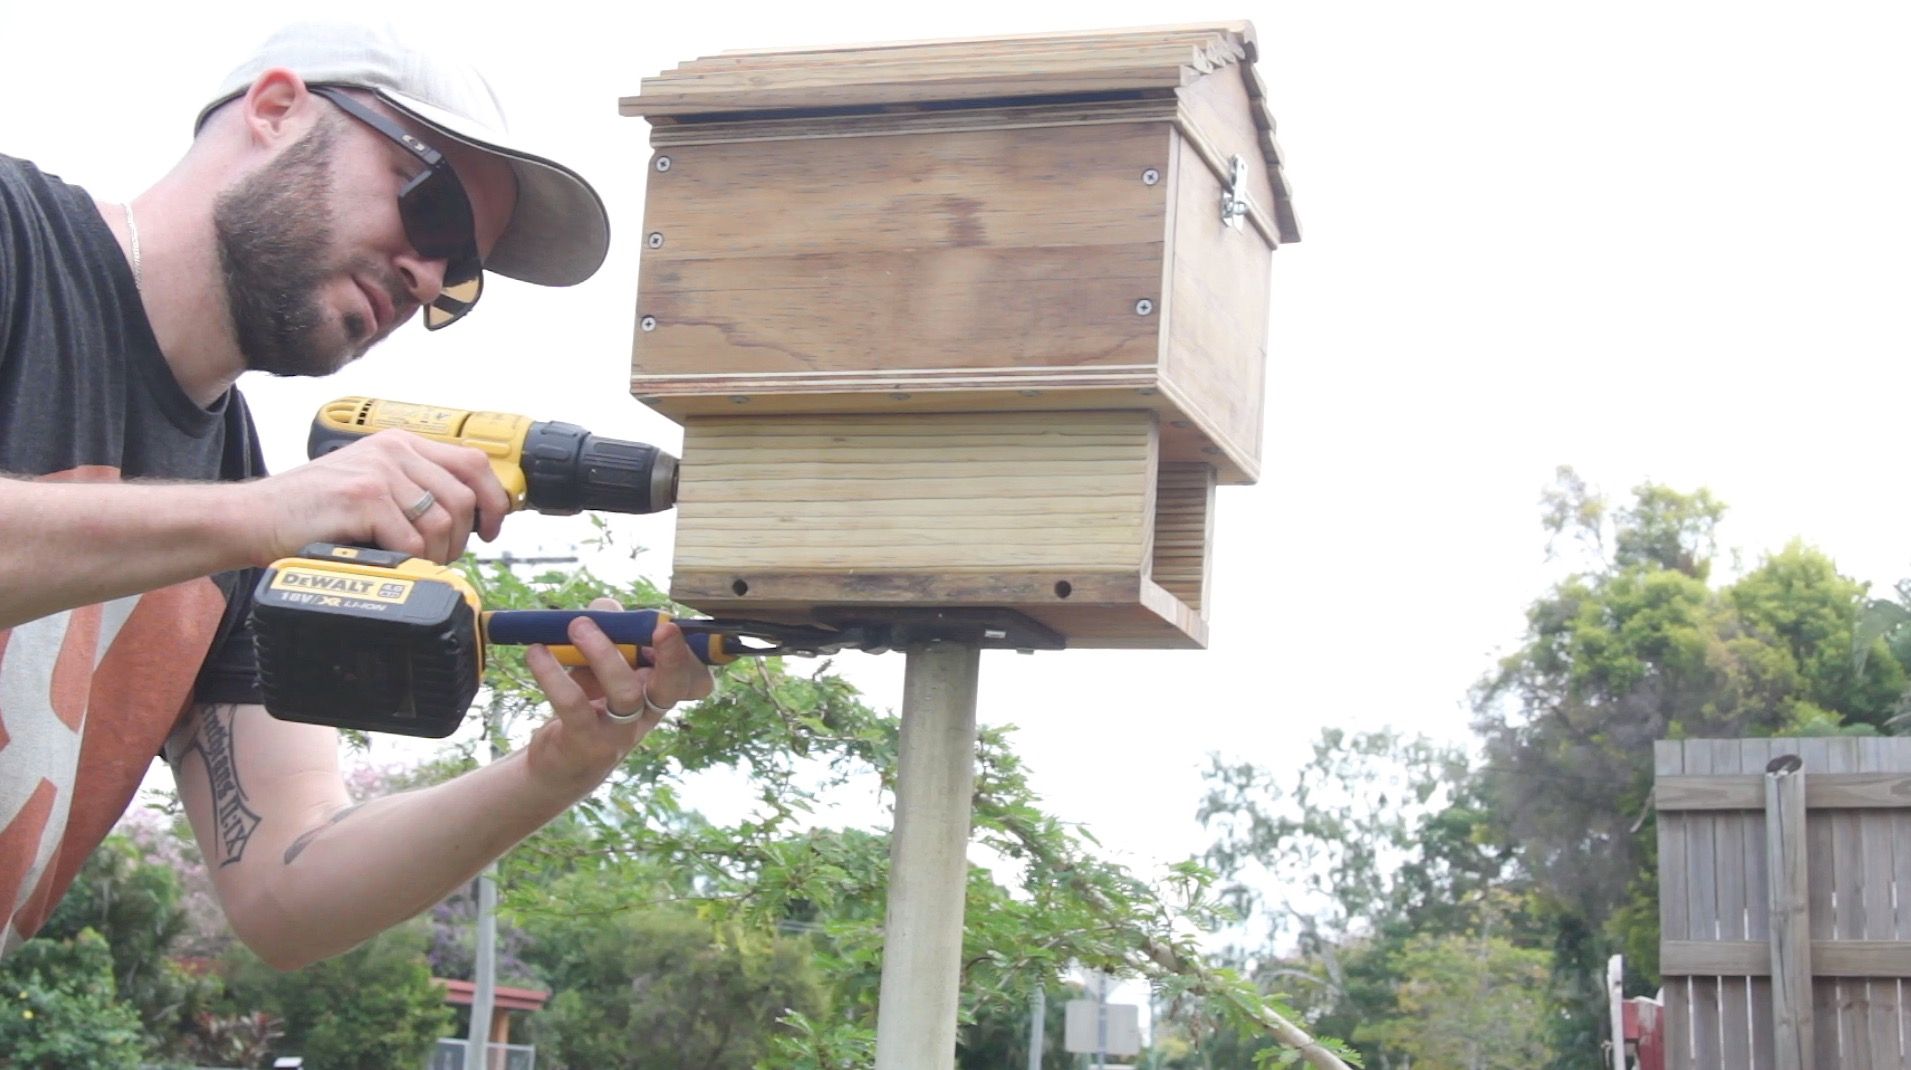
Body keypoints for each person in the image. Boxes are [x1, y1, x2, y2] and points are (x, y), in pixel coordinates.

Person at [0, 21, 713, 966]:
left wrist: (561, 765)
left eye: (461, 271)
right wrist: (270, 515)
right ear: (277, 109)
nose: (428, 276)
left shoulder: (236, 502)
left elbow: (288, 890)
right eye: (429, 207)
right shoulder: (14, 236)